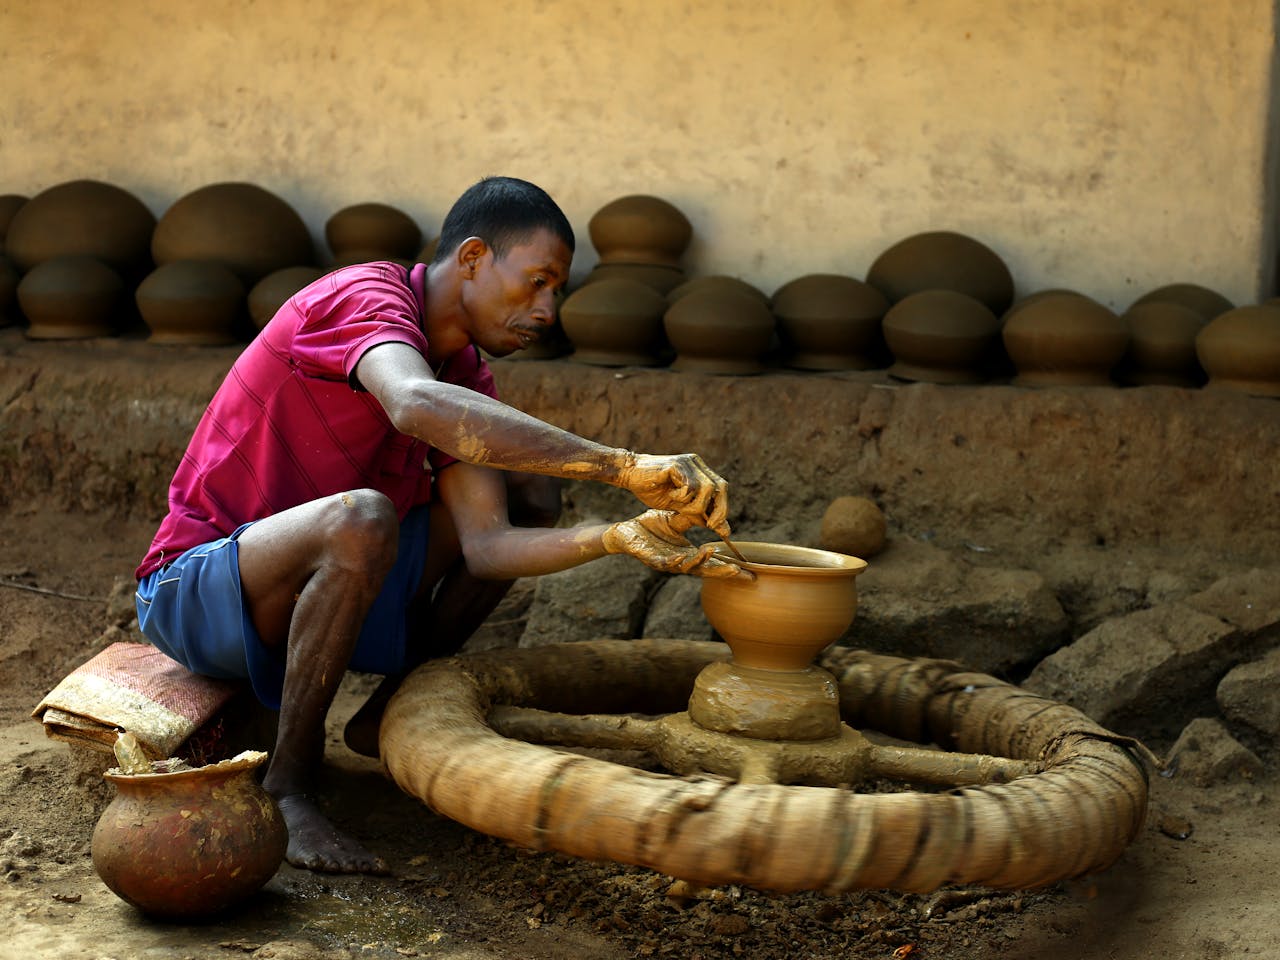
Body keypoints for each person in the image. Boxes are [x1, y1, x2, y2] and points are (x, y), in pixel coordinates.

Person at [133, 176, 745, 876]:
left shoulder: (463, 373)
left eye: (557, 292)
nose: (547, 310)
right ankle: (290, 785)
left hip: (318, 594)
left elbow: (487, 549)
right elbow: (415, 403)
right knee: (362, 516)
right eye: (538, 281)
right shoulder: (364, 297)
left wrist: (616, 536)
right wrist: (622, 465)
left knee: (529, 498)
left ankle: (385, 715)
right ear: (476, 257)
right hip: (198, 588)